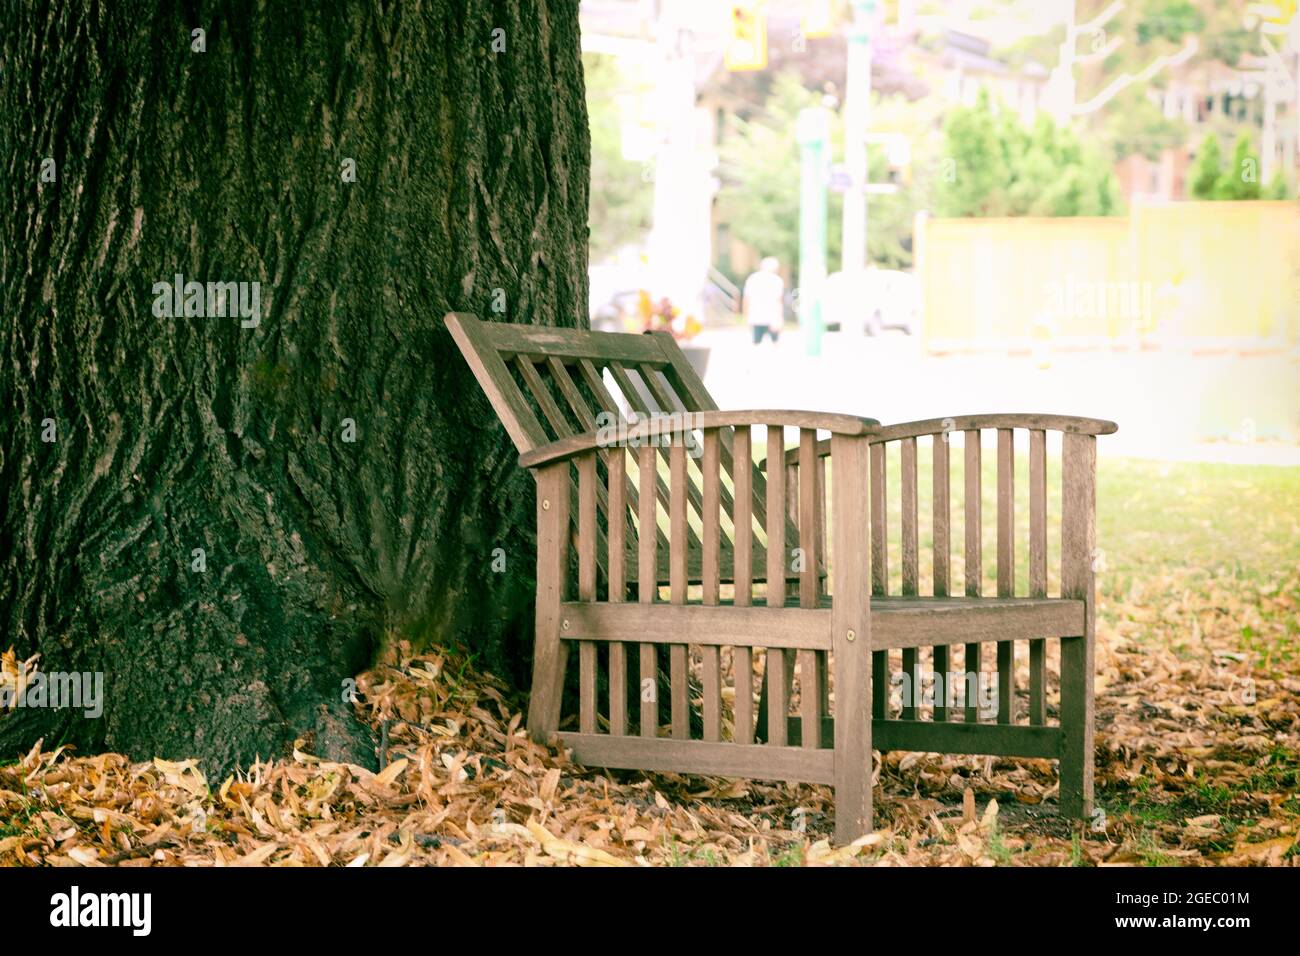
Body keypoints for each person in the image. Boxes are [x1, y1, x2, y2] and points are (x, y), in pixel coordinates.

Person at [742, 257, 785, 345]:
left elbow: (746, 299)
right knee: (775, 343)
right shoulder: (777, 280)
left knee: (756, 343)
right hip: (772, 317)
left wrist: (746, 315)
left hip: (756, 316)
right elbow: (778, 301)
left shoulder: (752, 279)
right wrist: (779, 318)